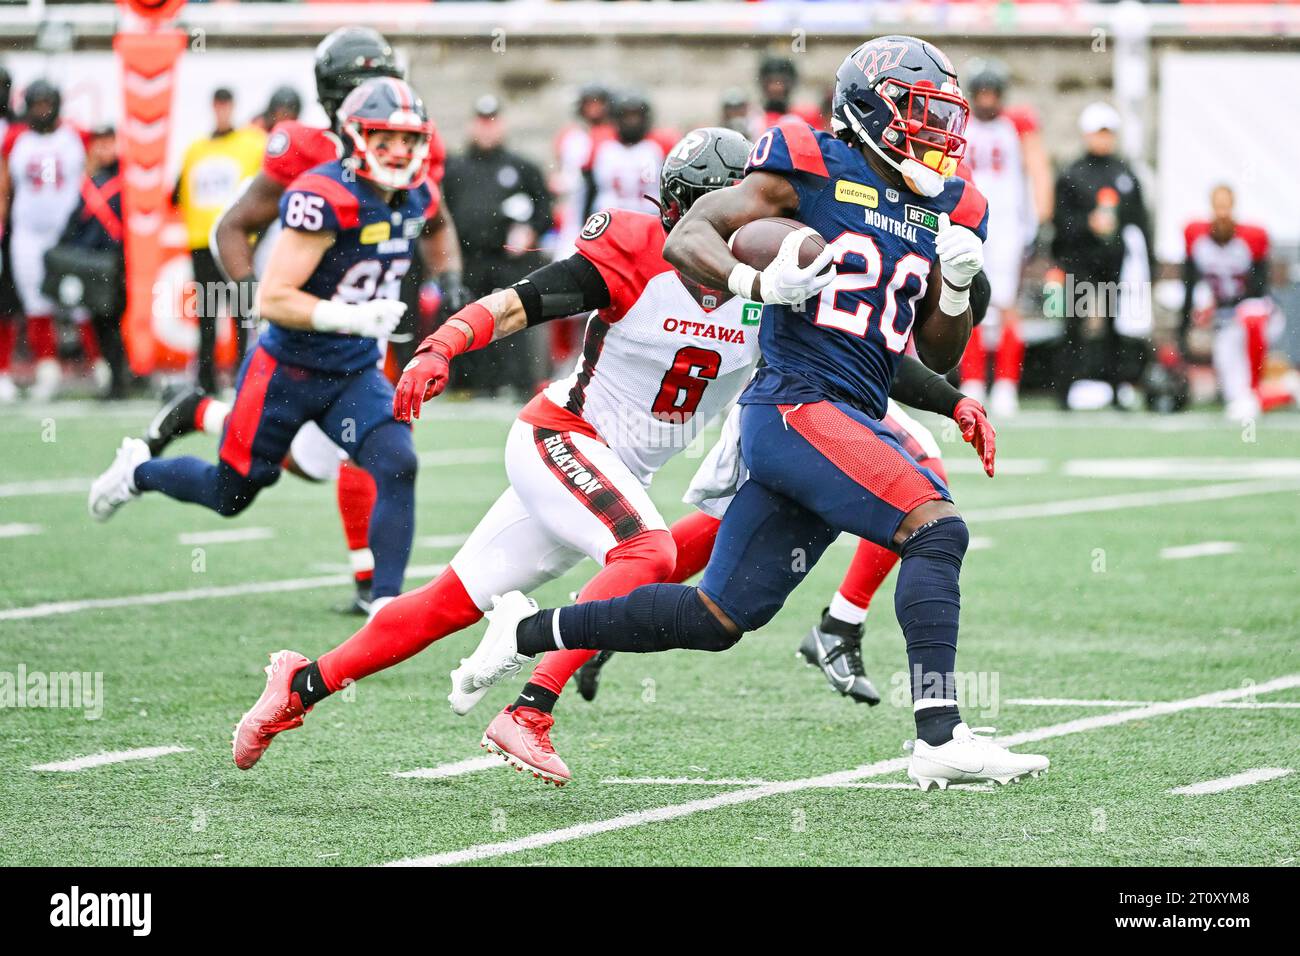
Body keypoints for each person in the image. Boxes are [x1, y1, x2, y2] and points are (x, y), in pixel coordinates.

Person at [227, 125, 996, 786]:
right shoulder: (636, 249)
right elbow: (525, 300)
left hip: (617, 469)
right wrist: (443, 344)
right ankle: (529, 710)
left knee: (445, 606)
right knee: (647, 548)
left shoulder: (772, 288)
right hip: (561, 437)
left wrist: (953, 398)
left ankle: (298, 685)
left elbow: (876, 351)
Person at [453, 36, 1049, 792]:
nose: (940, 134)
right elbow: (690, 232)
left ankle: (527, 628)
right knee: (937, 528)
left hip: (849, 411)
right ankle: (940, 733)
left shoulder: (952, 205)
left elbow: (937, 348)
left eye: (945, 118)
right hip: (797, 406)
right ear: (871, 111)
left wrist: (958, 291)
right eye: (923, 115)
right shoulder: (806, 160)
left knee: (717, 617)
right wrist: (752, 281)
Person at [88, 79, 432, 630]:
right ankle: (140, 473)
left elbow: (435, 230)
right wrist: (350, 316)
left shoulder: (417, 195)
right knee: (231, 493)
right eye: (384, 138)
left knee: (398, 463)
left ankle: (384, 608)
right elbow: (272, 299)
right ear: (355, 137)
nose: (398, 152)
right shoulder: (324, 195)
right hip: (287, 369)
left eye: (408, 140)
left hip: (353, 372)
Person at [149, 26, 464, 616]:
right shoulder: (305, 155)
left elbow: (436, 217)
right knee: (244, 485)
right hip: (302, 330)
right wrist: (258, 295)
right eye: (360, 88)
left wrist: (446, 281)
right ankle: (372, 585)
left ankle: (376, 591)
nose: (378, 101)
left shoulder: (409, 148)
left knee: (373, 455)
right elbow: (231, 228)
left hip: (370, 326)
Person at [441, 95, 553, 396]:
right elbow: (441, 214)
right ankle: (469, 384)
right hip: (468, 258)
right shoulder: (455, 168)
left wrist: (529, 232)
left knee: (511, 315)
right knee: (466, 313)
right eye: (481, 122)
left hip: (508, 260)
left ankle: (515, 382)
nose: (487, 129)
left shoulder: (522, 167)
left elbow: (544, 209)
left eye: (492, 122)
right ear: (471, 125)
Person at [955, 59, 1050, 416]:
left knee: (1006, 304)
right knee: (965, 299)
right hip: (968, 221)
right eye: (982, 93)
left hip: (1008, 224)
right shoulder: (961, 123)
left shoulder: (1017, 125)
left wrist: (1043, 218)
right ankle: (974, 380)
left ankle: (1007, 384)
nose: (987, 99)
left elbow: (1038, 168)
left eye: (992, 93)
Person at [1050, 102, 1153, 410]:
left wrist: (1148, 258)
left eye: (1108, 133)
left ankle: (1114, 387)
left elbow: (1139, 218)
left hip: (1112, 262)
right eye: (1098, 132)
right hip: (1078, 261)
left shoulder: (1124, 172)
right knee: (1073, 324)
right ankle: (1065, 390)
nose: (1103, 139)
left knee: (1112, 325)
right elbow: (1060, 221)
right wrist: (1087, 224)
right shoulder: (1072, 173)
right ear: (1086, 134)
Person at [174, 88, 266, 392]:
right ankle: (205, 379)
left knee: (243, 313)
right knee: (208, 315)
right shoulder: (196, 150)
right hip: (203, 242)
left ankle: (243, 373)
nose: (222, 110)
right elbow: (177, 194)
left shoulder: (250, 144)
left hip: (237, 244)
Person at [0, 80, 85, 401]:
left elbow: (89, 174)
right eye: (37, 104)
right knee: (36, 302)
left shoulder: (73, 138)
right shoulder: (16, 140)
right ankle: (47, 368)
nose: (42, 110)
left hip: (66, 234)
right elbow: (5, 183)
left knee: (81, 300)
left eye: (47, 103)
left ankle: (99, 367)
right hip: (28, 234)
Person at [1182, 184, 1291, 421]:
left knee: (1251, 312)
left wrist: (1223, 307)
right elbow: (1190, 284)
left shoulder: (1250, 238)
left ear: (1233, 207)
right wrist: (1188, 323)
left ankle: (1254, 389)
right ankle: (1288, 391)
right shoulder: (1198, 238)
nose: (1222, 212)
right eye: (1217, 206)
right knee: (1236, 397)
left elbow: (1259, 289)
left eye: (1226, 205)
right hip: (1226, 322)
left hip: (1258, 317)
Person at [54, 125, 128, 399]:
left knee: (112, 323)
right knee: (101, 323)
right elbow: (75, 225)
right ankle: (116, 377)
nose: (104, 148)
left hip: (114, 263)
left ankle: (120, 379)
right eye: (100, 142)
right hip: (94, 265)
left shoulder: (123, 181)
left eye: (109, 142)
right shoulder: (91, 183)